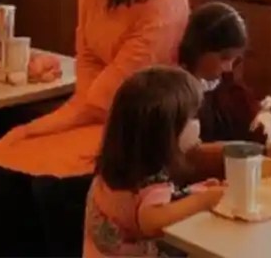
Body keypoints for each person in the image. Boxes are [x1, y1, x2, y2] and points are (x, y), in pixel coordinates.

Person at [0, 0, 190, 257]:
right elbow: (87, 59)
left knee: (49, 187)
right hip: (89, 110)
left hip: (135, 121)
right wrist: (72, 112)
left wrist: (65, 117)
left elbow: (125, 84)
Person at [84, 66, 224, 258]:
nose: (196, 124)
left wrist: (196, 191)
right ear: (164, 134)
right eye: (191, 118)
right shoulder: (153, 180)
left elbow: (147, 205)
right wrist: (203, 200)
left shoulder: (116, 168)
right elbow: (153, 222)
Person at [178, 2, 268, 145]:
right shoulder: (177, 95)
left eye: (234, 60)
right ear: (200, 48)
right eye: (224, 58)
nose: (228, 68)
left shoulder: (229, 89)